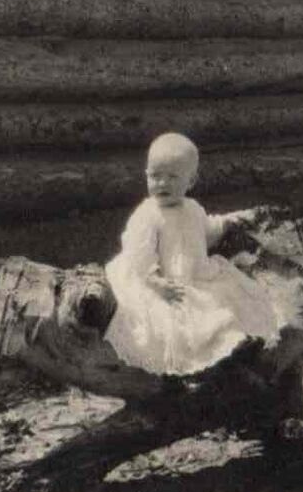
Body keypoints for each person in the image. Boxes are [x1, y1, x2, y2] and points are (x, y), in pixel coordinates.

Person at [105, 133, 280, 375]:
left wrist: (228, 223)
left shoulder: (193, 208)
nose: (162, 183)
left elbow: (207, 231)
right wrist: (155, 281)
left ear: (191, 180)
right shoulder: (148, 214)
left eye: (172, 177)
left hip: (196, 274)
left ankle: (235, 353)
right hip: (162, 280)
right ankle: (205, 365)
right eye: (155, 176)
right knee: (176, 327)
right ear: (146, 174)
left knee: (227, 306)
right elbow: (139, 252)